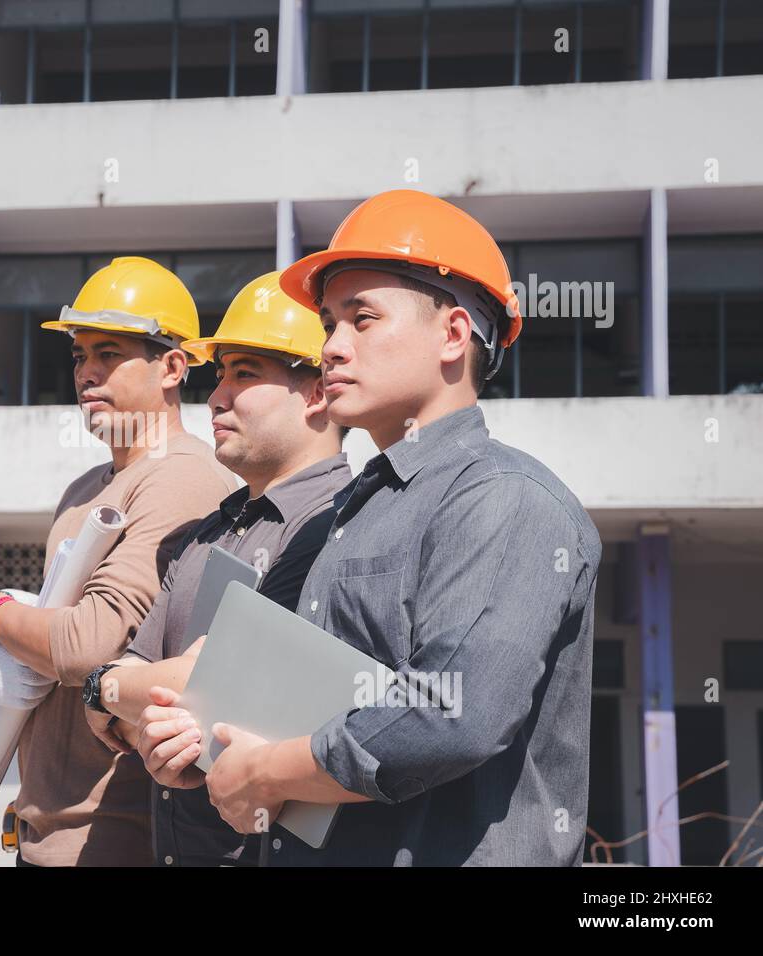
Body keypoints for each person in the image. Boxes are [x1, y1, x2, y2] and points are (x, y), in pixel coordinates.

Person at [142, 190, 602, 866]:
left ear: (452, 335)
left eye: (362, 319)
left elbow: (453, 715)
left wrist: (270, 771)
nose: (331, 347)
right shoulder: (347, 513)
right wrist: (199, 742)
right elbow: (301, 699)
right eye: (329, 323)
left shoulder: (507, 500)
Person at [80, 272, 352, 867]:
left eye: (245, 374)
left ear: (316, 394)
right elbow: (146, 676)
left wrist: (109, 689)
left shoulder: (337, 528)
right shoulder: (207, 529)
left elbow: (228, 688)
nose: (217, 396)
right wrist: (119, 695)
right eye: (221, 373)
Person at [0, 256, 234, 866]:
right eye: (78, 356)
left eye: (109, 354)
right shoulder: (88, 487)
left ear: (172, 366)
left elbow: (85, 647)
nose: (87, 374)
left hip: (112, 837)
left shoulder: (183, 480)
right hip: (46, 833)